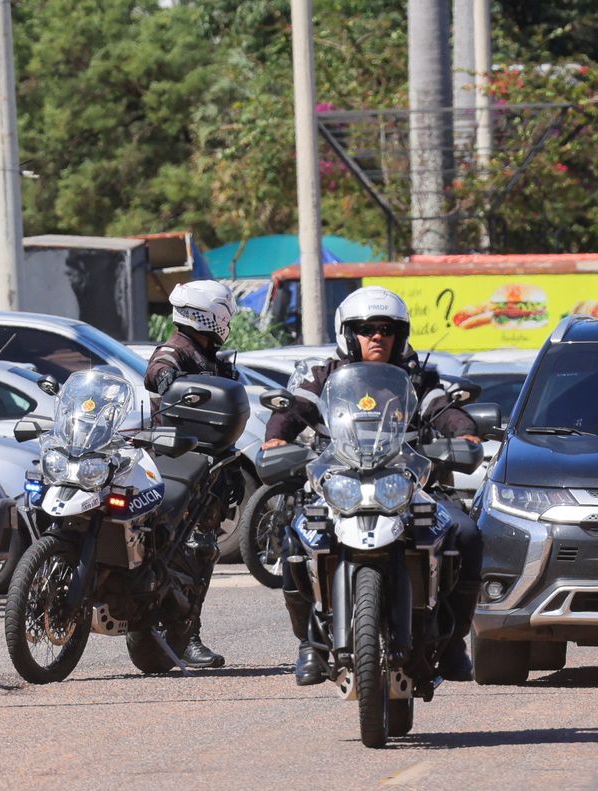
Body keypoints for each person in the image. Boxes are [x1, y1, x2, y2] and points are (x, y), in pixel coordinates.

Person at [262, 287, 484, 686]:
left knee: (466, 533)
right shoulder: (324, 375)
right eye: (366, 329)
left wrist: (464, 434)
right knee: (295, 538)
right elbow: (295, 409)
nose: (377, 336)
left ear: (401, 334)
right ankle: (310, 644)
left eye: (387, 328)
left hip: (407, 484)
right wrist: (277, 437)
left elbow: (444, 409)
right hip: (340, 483)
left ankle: (454, 644)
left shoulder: (416, 375)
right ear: (347, 333)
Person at [141, 279, 241, 669]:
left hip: (206, 471)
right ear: (209, 315)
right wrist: (166, 380)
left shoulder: (210, 355)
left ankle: (180, 633)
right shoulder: (178, 350)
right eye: (225, 312)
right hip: (179, 468)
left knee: (200, 553)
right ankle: (184, 639)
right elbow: (158, 368)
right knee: (191, 552)